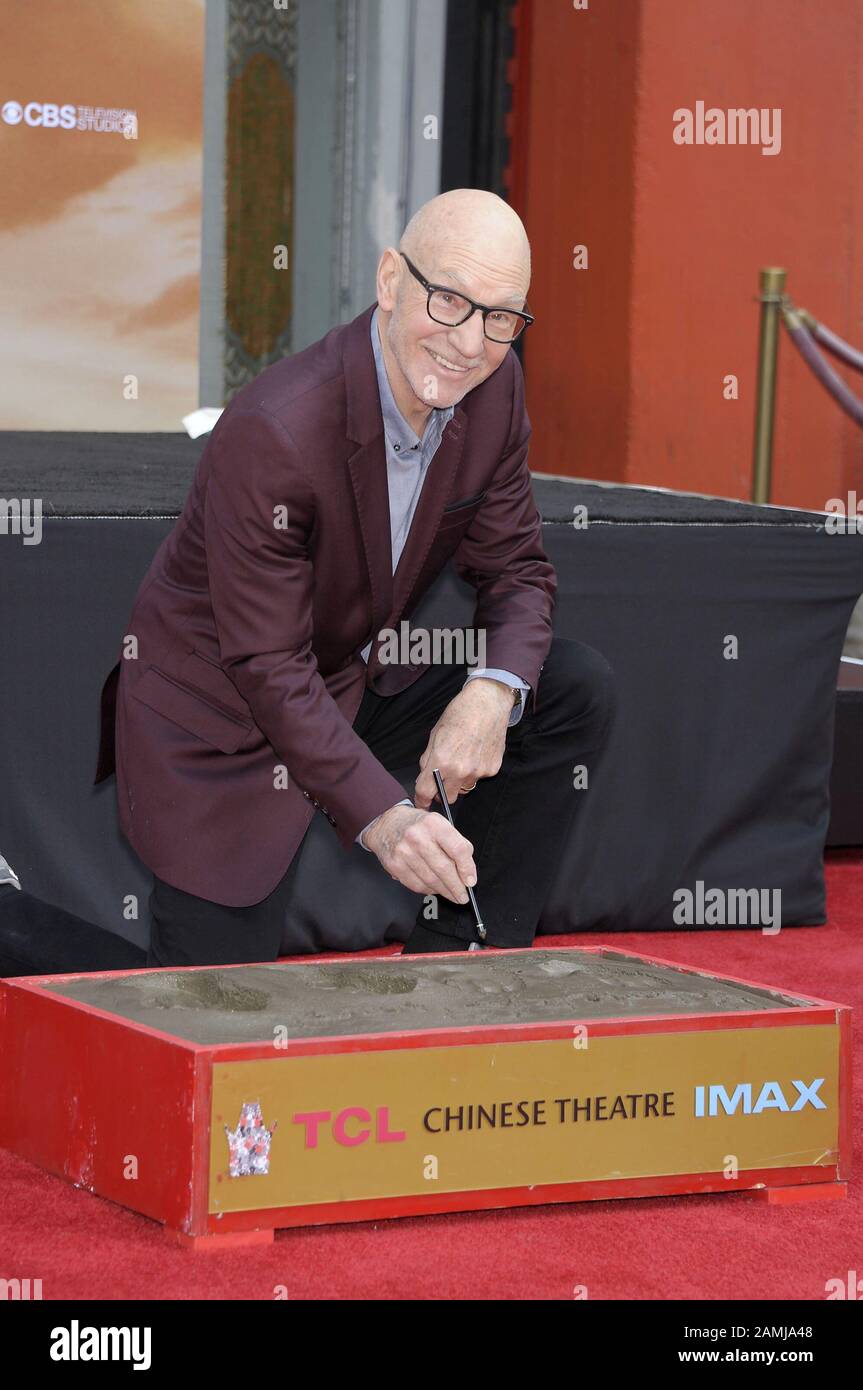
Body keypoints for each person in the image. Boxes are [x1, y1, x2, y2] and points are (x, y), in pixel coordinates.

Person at [94, 188, 616, 965]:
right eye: (447, 301)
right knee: (214, 1024)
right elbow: (266, 663)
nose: (469, 344)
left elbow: (515, 569)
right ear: (388, 281)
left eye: (499, 318)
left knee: (566, 687)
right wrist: (385, 818)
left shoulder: (493, 390)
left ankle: (454, 978)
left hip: (351, 679)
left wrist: (488, 693)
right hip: (224, 722)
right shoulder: (276, 429)